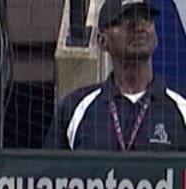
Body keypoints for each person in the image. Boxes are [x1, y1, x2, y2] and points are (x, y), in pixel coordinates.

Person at [46, 0, 186, 151]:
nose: (140, 27)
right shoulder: (75, 108)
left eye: (146, 19)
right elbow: (51, 165)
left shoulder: (181, 106)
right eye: (127, 21)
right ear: (102, 41)